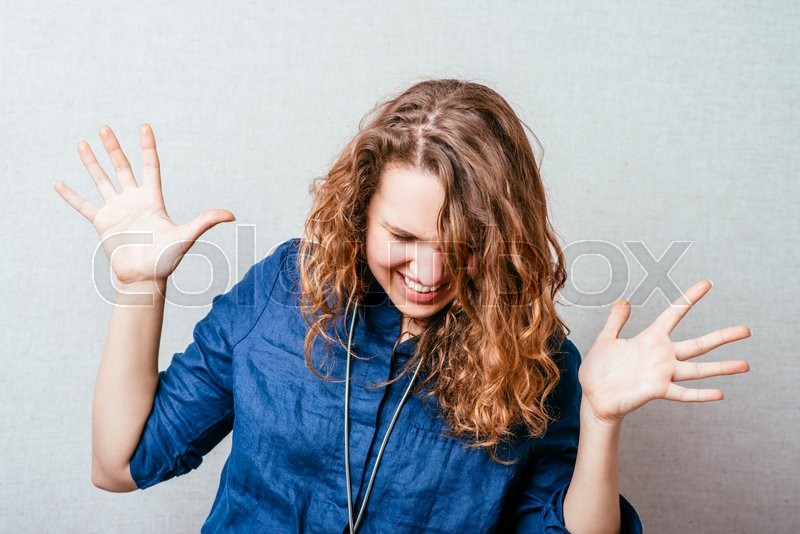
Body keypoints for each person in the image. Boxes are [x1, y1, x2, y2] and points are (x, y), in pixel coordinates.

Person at [54, 79, 750, 533]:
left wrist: (600, 419)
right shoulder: (279, 291)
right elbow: (119, 464)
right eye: (402, 236)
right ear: (360, 209)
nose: (428, 272)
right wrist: (140, 284)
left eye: (462, 244)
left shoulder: (539, 364)